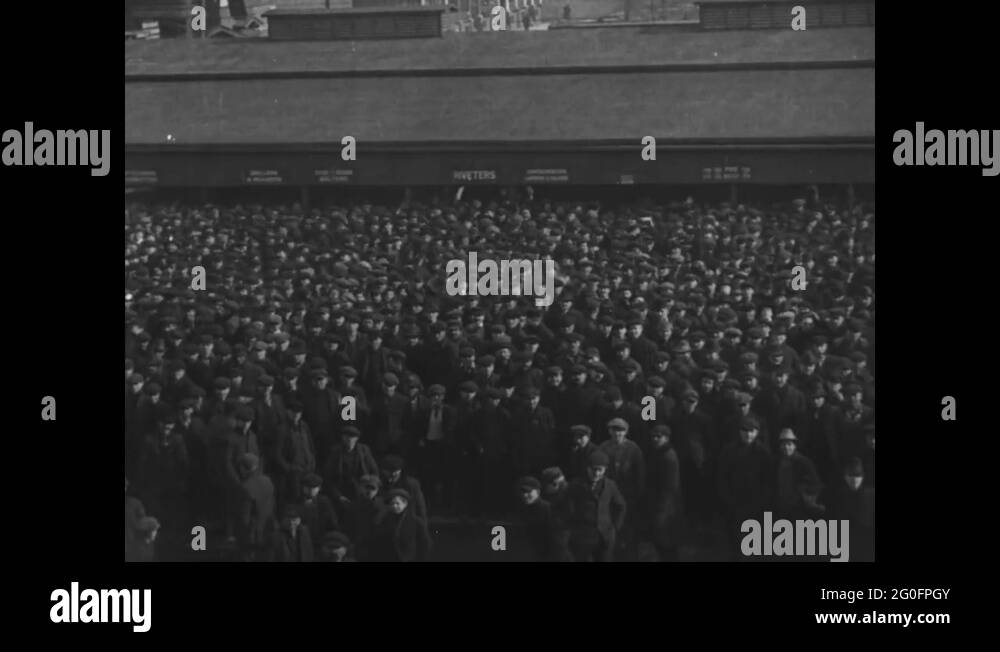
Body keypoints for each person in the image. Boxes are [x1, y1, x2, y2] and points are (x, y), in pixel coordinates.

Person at [564, 451, 626, 561]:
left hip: (605, 537)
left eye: (600, 470)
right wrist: (569, 526)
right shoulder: (575, 485)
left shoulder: (610, 485)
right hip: (582, 537)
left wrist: (615, 527)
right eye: (594, 469)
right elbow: (562, 505)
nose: (597, 473)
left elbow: (621, 505)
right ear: (587, 468)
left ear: (605, 470)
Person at [645, 425, 682, 562]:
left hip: (666, 508)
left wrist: (662, 512)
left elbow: (670, 488)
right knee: (661, 542)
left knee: (666, 543)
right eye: (653, 436)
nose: (654, 439)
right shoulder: (658, 452)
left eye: (658, 437)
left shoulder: (668, 456)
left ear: (666, 438)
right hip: (658, 503)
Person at [369, 489, 433, 562]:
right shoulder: (385, 521)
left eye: (397, 503)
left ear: (405, 504)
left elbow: (425, 544)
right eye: (392, 503)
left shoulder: (416, 522)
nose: (394, 506)